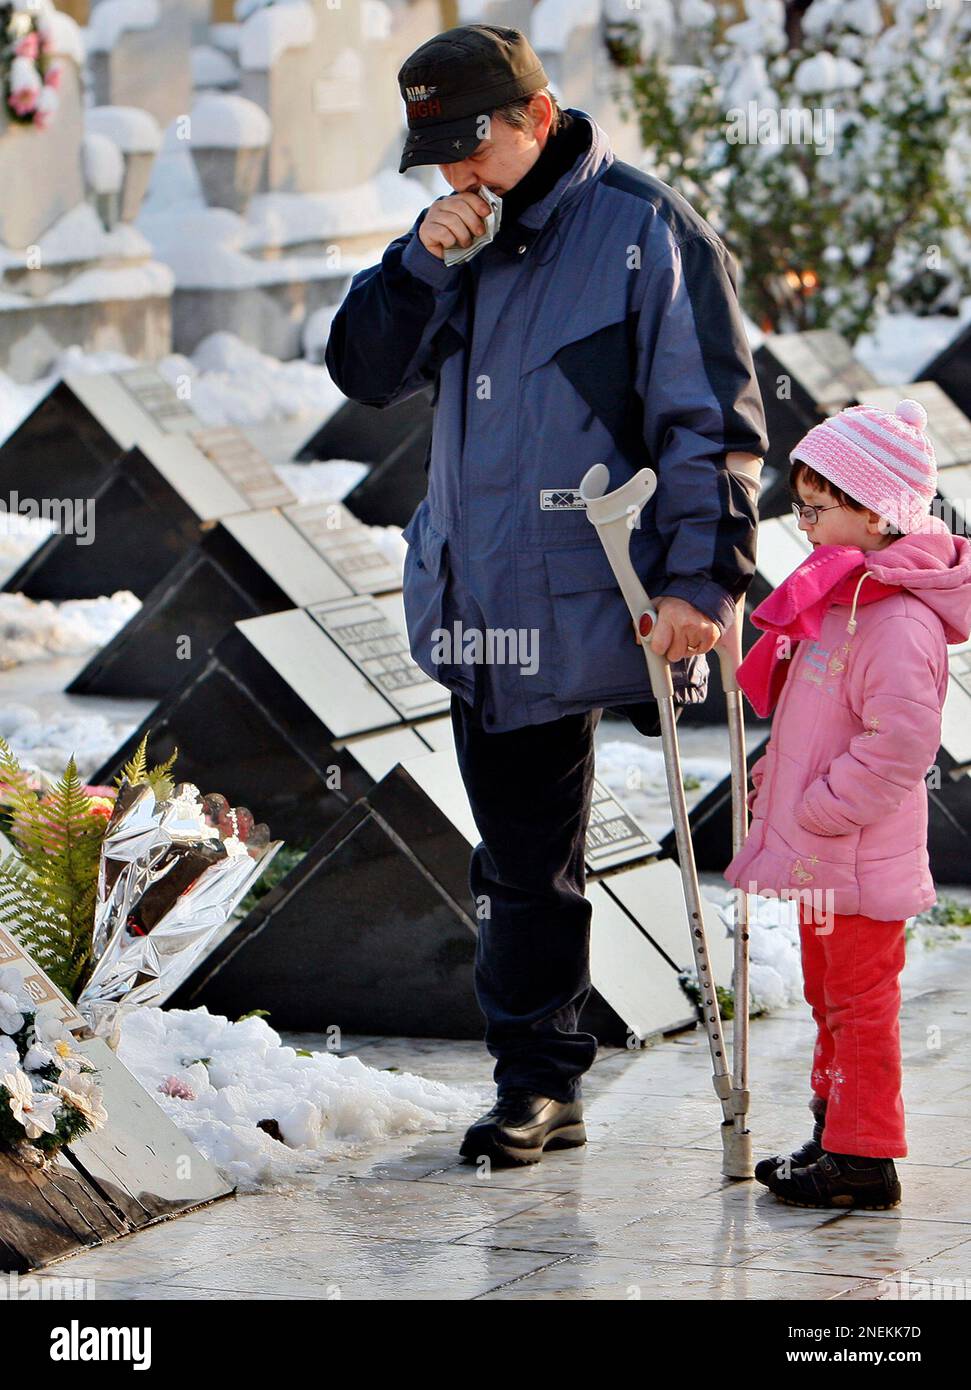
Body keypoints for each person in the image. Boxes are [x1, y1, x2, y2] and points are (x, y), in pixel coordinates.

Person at [326, 24, 767, 1167]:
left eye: (470, 147)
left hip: (600, 586)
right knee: (518, 853)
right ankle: (538, 1078)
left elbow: (709, 425)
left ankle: (541, 1074)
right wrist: (421, 261)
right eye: (436, 157)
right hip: (478, 593)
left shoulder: (644, 230)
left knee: (531, 853)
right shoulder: (452, 240)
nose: (454, 176)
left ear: (535, 115)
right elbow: (362, 372)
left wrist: (699, 579)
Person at [725, 398, 971, 1209]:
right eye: (798, 506)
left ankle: (864, 1159)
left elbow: (899, 742)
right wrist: (782, 785)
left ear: (874, 513)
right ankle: (834, 1133)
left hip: (856, 855)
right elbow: (819, 720)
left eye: (816, 508)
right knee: (831, 1001)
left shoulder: (896, 619)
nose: (802, 524)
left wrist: (823, 807)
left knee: (861, 1006)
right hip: (825, 854)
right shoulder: (845, 598)